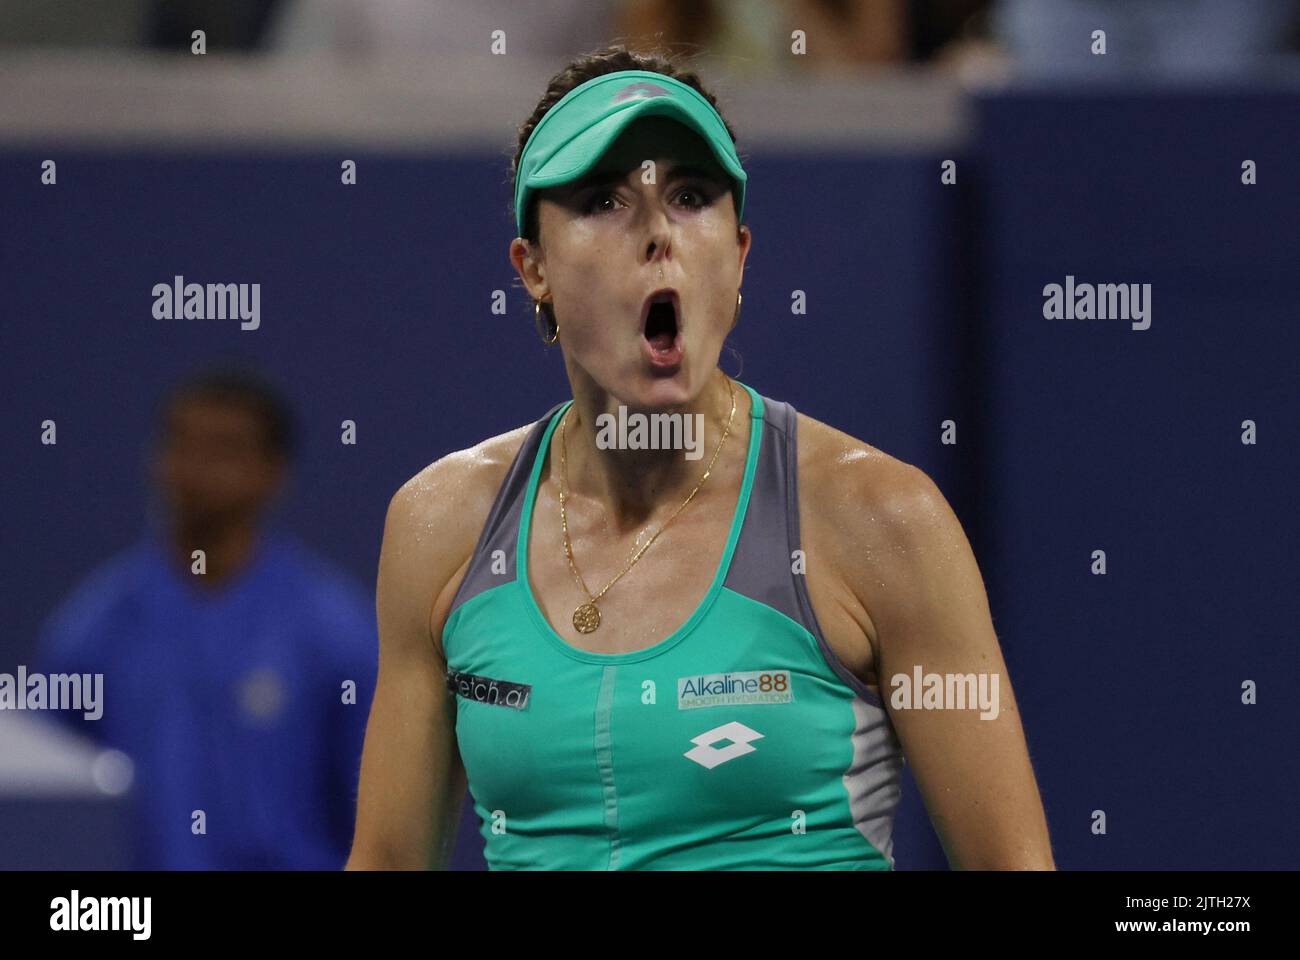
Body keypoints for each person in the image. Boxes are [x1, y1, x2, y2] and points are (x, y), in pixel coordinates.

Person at [347, 45, 1054, 870]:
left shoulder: (885, 520)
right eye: (603, 199)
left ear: (740, 254)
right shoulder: (440, 526)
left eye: (689, 196)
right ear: (532, 268)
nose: (656, 233)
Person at [32, 366, 377, 869]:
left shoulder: (335, 630)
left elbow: (380, 820)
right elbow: (55, 815)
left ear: (272, 472)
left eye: (226, 450)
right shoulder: (92, 630)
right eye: (181, 445)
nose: (197, 468)